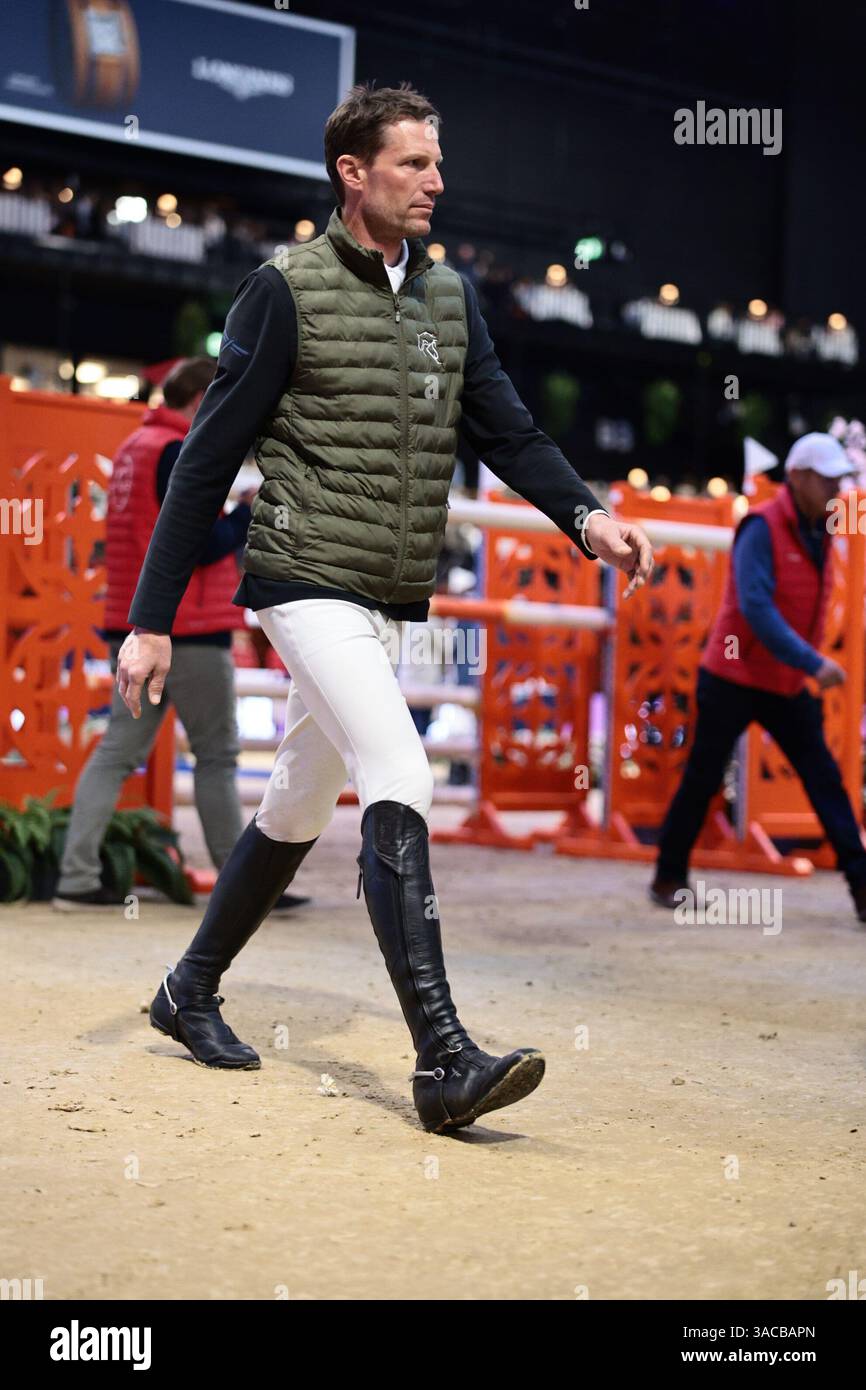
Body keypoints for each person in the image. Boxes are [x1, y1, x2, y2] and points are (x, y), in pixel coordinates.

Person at [118, 82, 653, 1133]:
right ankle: (442, 1059)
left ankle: (187, 989)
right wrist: (148, 620)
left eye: (436, 162)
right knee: (399, 769)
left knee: (297, 809)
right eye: (412, 163)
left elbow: (507, 431)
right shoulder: (283, 290)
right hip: (302, 575)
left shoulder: (451, 298)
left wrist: (586, 520)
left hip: (385, 591)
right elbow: (202, 465)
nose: (436, 183)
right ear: (350, 174)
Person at [53, 359, 261, 909]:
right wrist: (244, 515)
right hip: (187, 627)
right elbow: (202, 542)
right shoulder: (177, 451)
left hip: (131, 622)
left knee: (117, 750)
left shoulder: (133, 449)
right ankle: (238, 889)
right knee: (217, 755)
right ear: (197, 400)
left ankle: (75, 878)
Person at [651, 432, 866, 921]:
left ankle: (862, 886)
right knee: (704, 777)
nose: (836, 489)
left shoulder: (820, 528)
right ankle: (668, 875)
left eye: (839, 480)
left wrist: (802, 664)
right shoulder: (761, 527)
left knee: (825, 780)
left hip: (783, 682)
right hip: (732, 675)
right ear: (798, 478)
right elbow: (756, 608)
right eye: (827, 480)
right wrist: (814, 662)